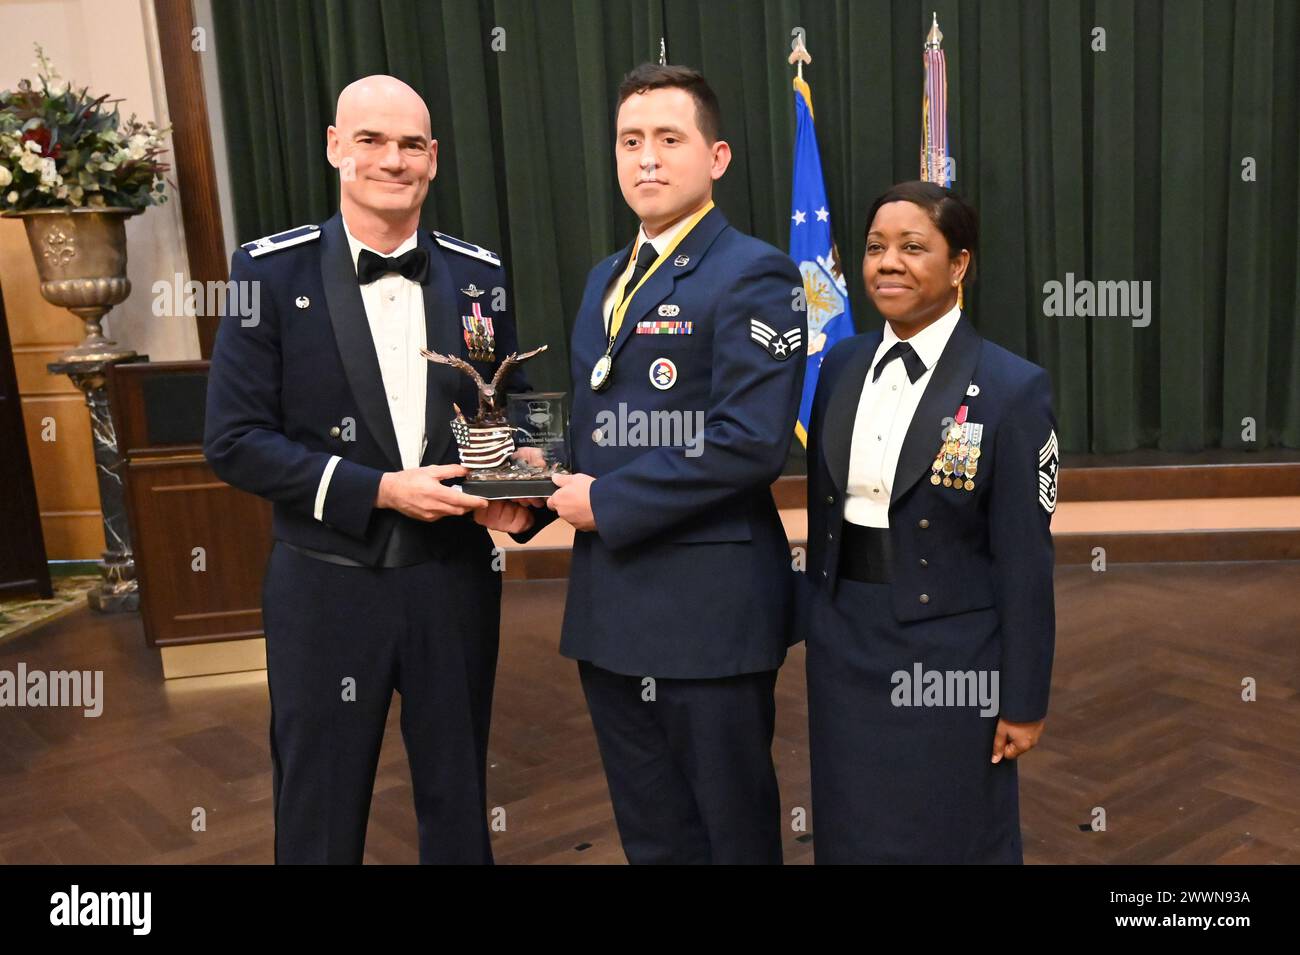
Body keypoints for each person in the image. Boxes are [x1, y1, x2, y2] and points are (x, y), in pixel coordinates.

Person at [204, 75, 534, 864]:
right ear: (333, 148)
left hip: (453, 580)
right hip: (325, 585)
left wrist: (520, 495)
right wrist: (377, 490)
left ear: (434, 161)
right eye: (371, 140)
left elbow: (503, 414)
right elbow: (234, 438)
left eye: (411, 144)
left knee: (460, 803)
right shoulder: (267, 272)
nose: (393, 159)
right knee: (318, 808)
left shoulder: (478, 272)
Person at [513, 63, 806, 864]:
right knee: (652, 835)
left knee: (730, 834)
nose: (646, 158)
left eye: (668, 140)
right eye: (630, 140)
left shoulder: (757, 272)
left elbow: (750, 440)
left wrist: (604, 501)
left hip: (709, 609)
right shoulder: (603, 278)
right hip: (611, 609)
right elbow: (597, 430)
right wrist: (536, 489)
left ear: (717, 158)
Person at [802, 180, 1057, 863]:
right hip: (843, 639)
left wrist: (1024, 696)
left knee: (951, 828)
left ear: (959, 264)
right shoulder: (840, 364)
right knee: (851, 825)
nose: (889, 262)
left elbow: (1025, 557)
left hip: (949, 656)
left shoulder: (1011, 387)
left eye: (914, 247)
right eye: (876, 247)